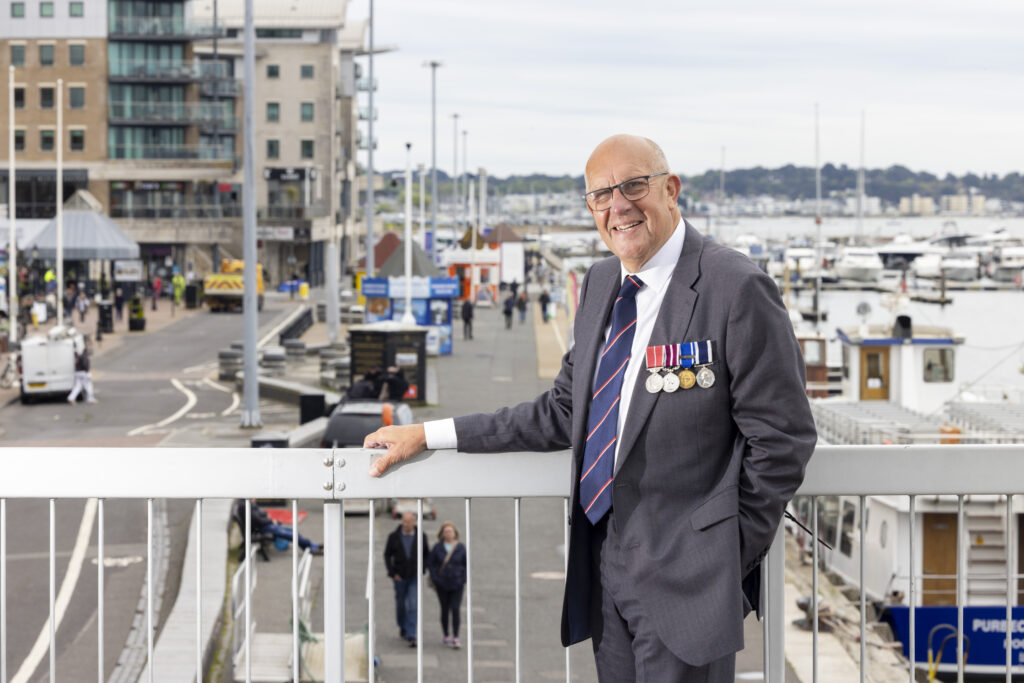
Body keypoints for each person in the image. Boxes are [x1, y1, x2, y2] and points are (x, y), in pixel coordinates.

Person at [363, 134, 817, 681]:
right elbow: (561, 411)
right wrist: (428, 435)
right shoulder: (602, 282)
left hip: (688, 577)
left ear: (670, 190)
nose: (618, 206)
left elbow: (783, 438)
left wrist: (724, 553)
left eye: (633, 186)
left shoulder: (735, 286)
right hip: (604, 566)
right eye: (600, 195)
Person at [384, 512, 429, 647]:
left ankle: (411, 634)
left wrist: (422, 569)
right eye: (404, 521)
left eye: (409, 521)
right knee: (401, 604)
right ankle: (402, 625)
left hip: (415, 576)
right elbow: (387, 555)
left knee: (414, 605)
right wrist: (392, 573)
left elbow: (427, 554)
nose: (407, 524)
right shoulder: (394, 537)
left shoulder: (421, 536)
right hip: (399, 576)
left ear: (414, 522)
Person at [428, 521, 467, 649]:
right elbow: (431, 564)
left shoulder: (460, 548)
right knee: (444, 609)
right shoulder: (437, 547)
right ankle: (446, 634)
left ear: (455, 533)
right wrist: (435, 578)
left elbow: (466, 564)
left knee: (455, 609)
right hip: (442, 584)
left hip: (457, 583)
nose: (448, 533)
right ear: (442, 534)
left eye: (450, 531)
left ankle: (456, 636)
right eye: (446, 532)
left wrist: (463, 578)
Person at [233, 499, 322, 555]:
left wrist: (269, 519)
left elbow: (261, 514)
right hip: (262, 528)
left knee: (292, 532)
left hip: (265, 525)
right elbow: (258, 520)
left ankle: (311, 545)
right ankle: (310, 547)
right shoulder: (245, 506)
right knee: (291, 534)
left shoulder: (247, 503)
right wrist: (271, 521)